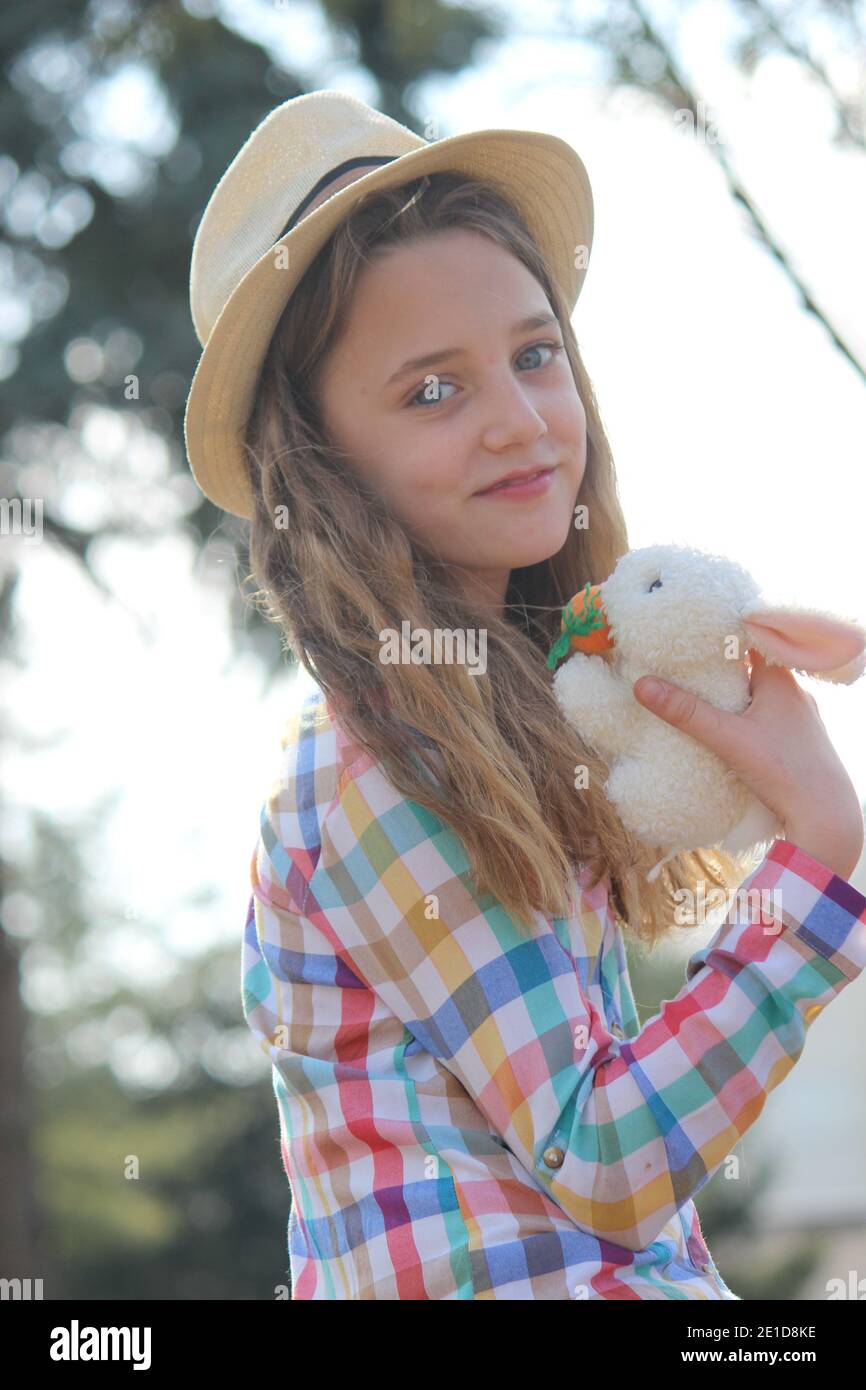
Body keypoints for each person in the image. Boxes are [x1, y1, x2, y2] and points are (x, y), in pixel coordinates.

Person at [183, 91, 866, 1300]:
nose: (518, 422)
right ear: (325, 463)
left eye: (532, 354)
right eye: (431, 392)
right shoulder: (378, 759)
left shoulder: (505, 715)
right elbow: (607, 1156)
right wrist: (811, 867)